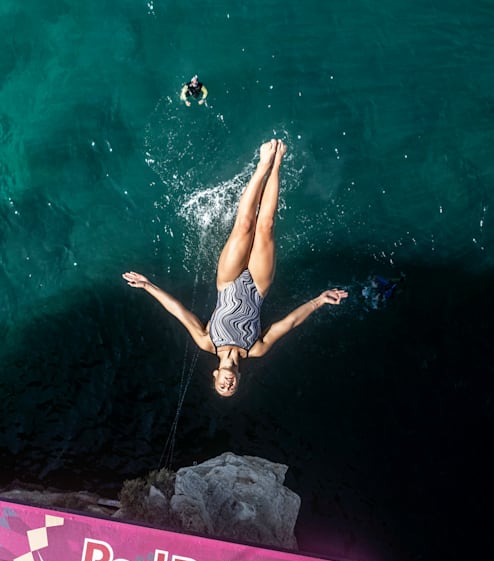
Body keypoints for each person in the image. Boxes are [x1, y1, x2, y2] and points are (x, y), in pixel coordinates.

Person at [124, 140, 348, 397]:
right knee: (266, 225)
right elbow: (289, 323)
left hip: (228, 282)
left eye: (222, 386)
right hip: (258, 287)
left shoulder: (206, 341)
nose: (227, 385)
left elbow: (179, 311)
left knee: (243, 225)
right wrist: (320, 301)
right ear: (239, 378)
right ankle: (277, 164)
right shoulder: (256, 349)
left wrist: (148, 285)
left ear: (215, 375)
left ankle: (262, 164)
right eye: (232, 388)